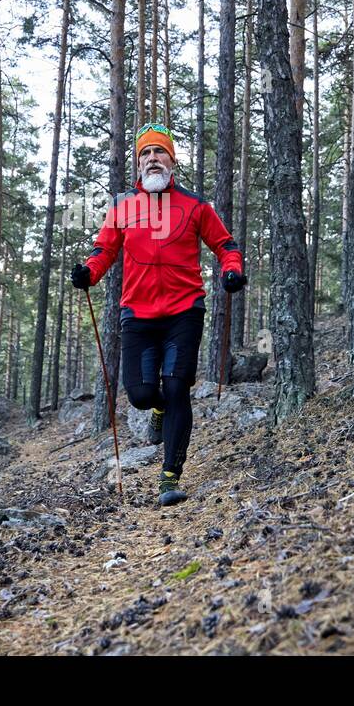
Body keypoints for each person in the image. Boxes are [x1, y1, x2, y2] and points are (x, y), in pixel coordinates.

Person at [71, 122, 246, 506]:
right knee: (141, 393)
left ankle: (170, 477)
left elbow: (225, 244)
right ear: (138, 164)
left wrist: (232, 270)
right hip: (137, 314)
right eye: (145, 153)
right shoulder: (122, 205)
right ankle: (159, 407)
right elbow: (103, 251)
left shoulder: (195, 205)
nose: (152, 159)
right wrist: (88, 272)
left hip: (185, 310)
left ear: (172, 161)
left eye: (159, 152)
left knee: (177, 385)